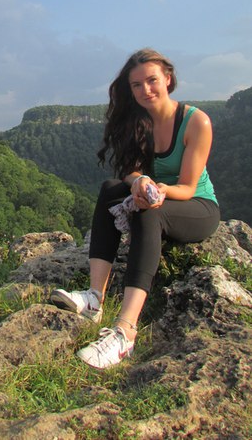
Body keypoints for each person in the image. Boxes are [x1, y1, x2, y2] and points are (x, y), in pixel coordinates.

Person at [51, 48, 220, 370]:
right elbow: (129, 169)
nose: (146, 90)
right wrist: (139, 181)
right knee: (110, 189)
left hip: (196, 206)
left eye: (152, 80)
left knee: (149, 211)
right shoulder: (137, 120)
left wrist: (159, 192)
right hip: (157, 195)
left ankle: (125, 331)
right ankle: (94, 298)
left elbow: (187, 186)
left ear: (168, 79)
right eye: (137, 85)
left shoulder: (196, 121)